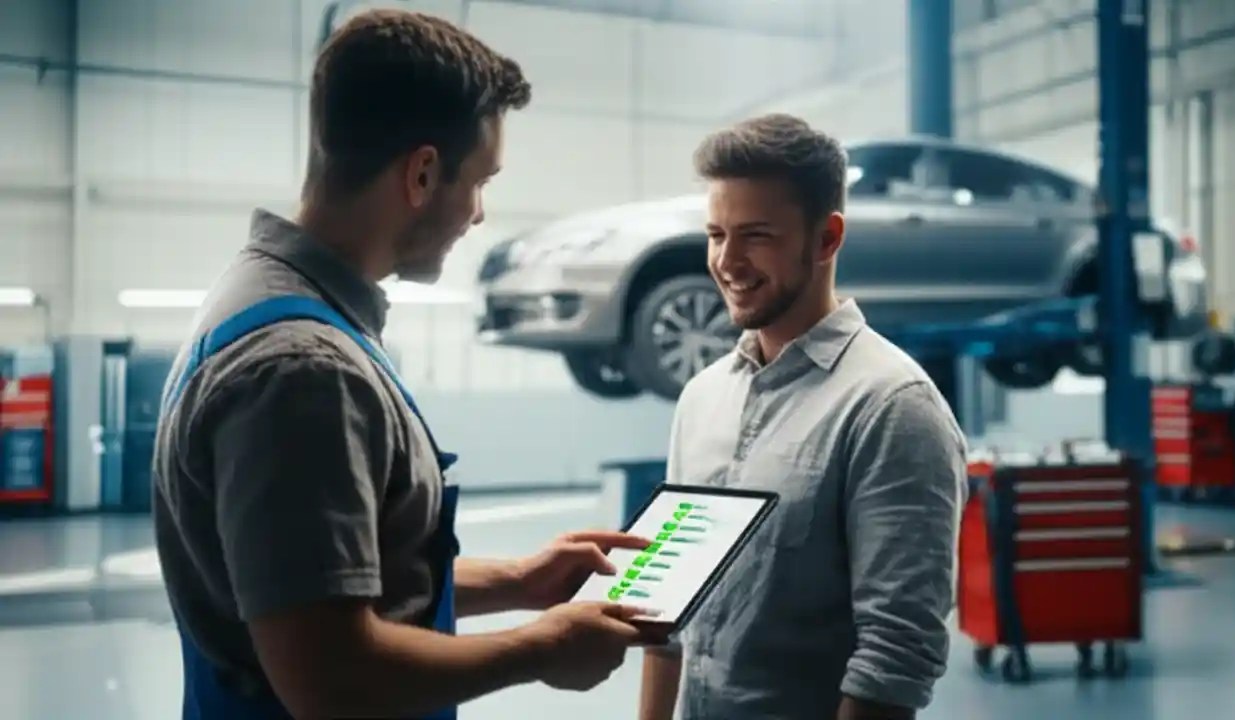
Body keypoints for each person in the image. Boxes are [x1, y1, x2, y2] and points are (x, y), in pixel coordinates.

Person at [152, 9, 651, 720]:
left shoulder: (260, 298)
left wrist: (519, 579)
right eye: (479, 181)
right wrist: (539, 648)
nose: (478, 213)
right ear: (421, 174)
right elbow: (331, 677)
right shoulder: (303, 371)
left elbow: (329, 585)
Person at [637, 114, 967, 719]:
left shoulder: (892, 408)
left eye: (756, 236)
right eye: (716, 234)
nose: (727, 261)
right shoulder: (702, 397)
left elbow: (895, 658)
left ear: (826, 239)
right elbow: (668, 612)